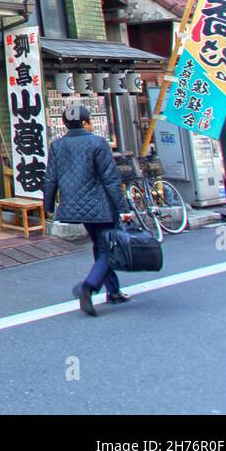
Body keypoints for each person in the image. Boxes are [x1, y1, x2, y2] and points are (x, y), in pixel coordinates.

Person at [42, 104, 135, 316]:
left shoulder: (57, 145)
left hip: (77, 207)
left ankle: (113, 291)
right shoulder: (97, 142)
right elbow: (111, 179)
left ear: (65, 124)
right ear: (85, 123)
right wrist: (123, 208)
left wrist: (48, 206)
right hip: (102, 206)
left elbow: (50, 178)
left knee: (100, 246)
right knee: (108, 249)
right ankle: (89, 286)